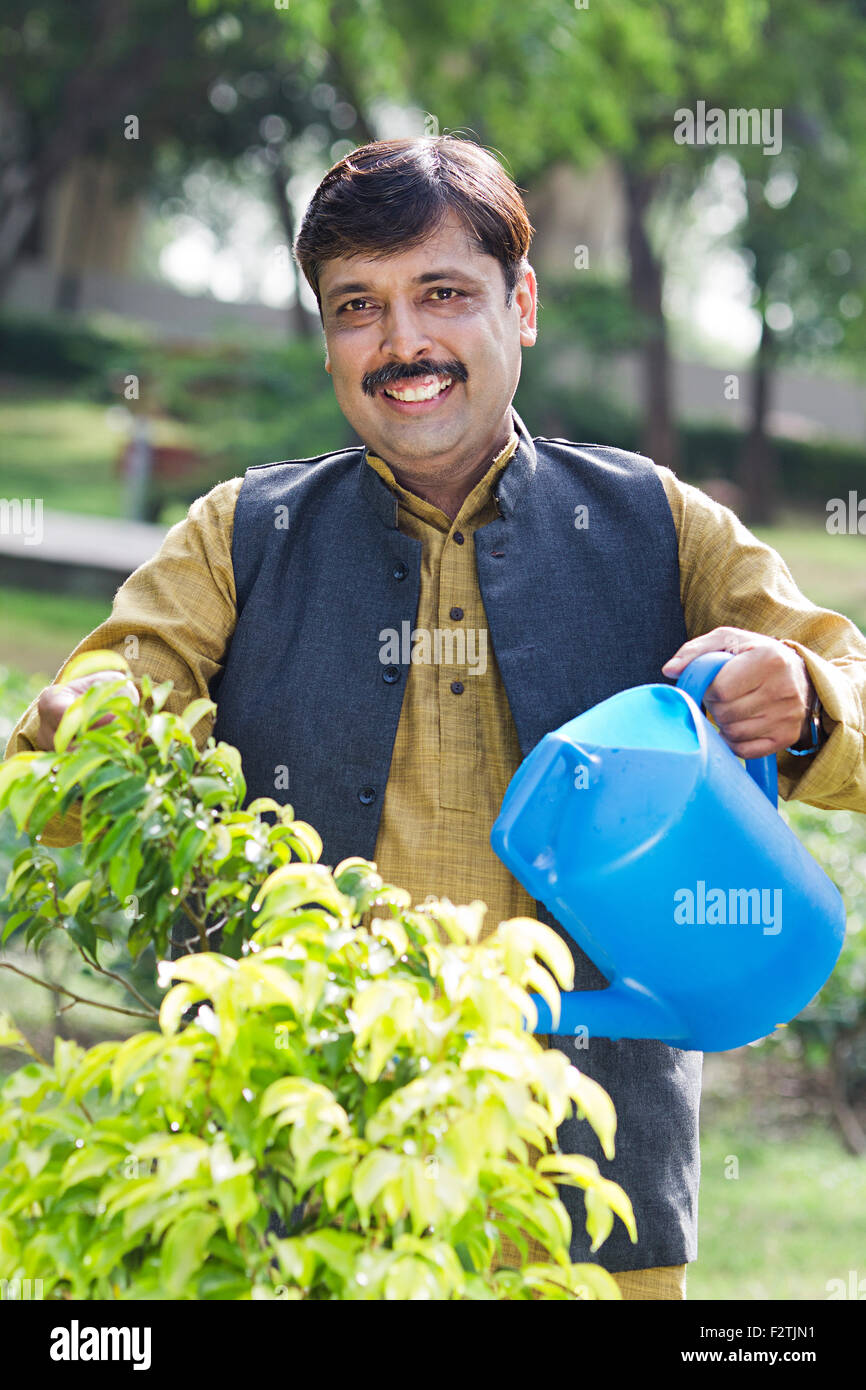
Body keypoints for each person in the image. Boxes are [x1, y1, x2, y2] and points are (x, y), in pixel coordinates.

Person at [6, 136, 866, 1302]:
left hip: (587, 1188)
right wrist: (84, 731)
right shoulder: (238, 535)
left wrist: (802, 695)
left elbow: (844, 685)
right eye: (357, 306)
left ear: (519, 303)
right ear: (325, 336)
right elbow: (89, 728)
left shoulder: (659, 524)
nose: (401, 341)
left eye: (442, 294)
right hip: (295, 1165)